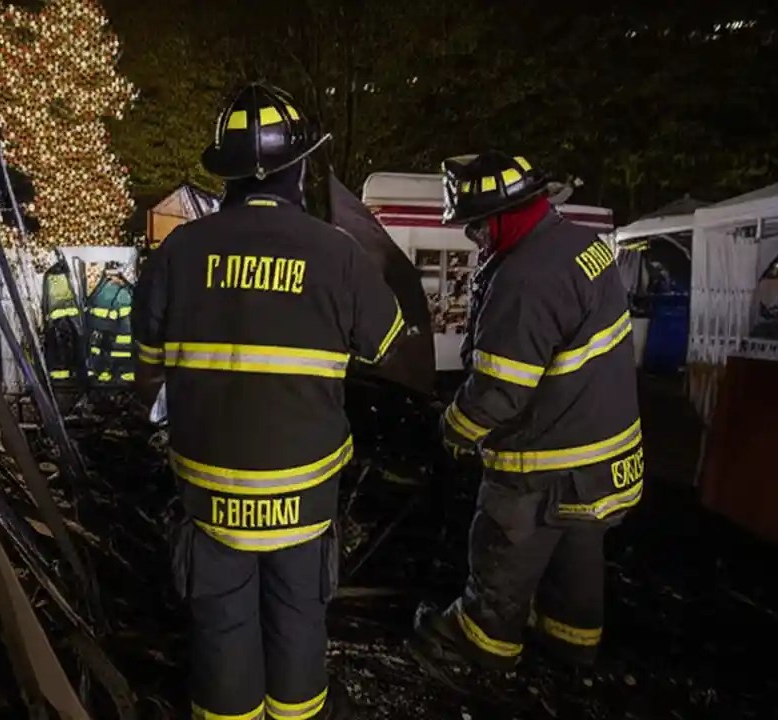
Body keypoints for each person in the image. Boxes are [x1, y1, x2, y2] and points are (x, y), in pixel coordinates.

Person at [132, 82, 404, 720]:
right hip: (304, 497)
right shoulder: (338, 253)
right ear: (299, 167)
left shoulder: (178, 252)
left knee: (222, 632)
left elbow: (147, 380)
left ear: (223, 171)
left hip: (211, 496)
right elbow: (388, 348)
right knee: (298, 625)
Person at [411, 152, 643, 680]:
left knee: (501, 558)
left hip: (543, 465)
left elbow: (498, 392)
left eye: (475, 227)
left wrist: (452, 430)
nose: (474, 238)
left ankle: (479, 647)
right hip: (605, 459)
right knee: (577, 559)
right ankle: (571, 649)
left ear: (499, 215)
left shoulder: (523, 279)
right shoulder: (581, 244)